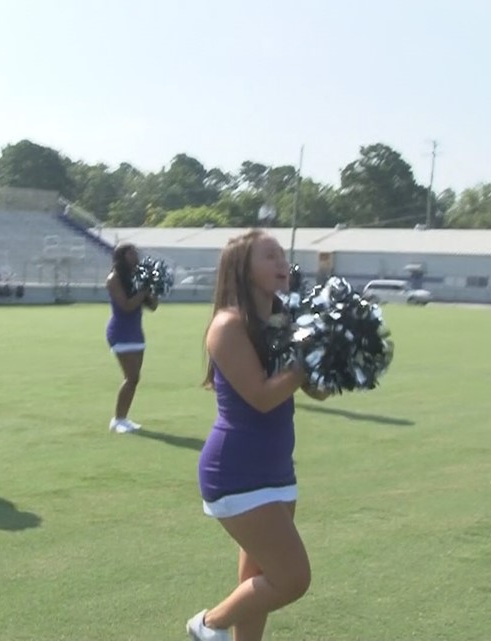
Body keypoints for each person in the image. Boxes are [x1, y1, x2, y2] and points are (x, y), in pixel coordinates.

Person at [187, 230, 328, 641]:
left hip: (277, 469)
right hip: (236, 473)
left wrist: (331, 355)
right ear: (243, 269)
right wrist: (303, 362)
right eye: (270, 255)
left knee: (259, 579)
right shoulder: (227, 325)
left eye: (282, 254)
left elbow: (315, 389)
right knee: (292, 579)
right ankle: (207, 625)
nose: (282, 262)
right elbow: (263, 397)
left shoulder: (285, 322)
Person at [104, 243, 157, 434]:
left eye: (136, 253)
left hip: (136, 331)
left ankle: (123, 418)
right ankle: (117, 420)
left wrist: (153, 289)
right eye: (131, 253)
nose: (136, 257)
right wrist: (142, 291)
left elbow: (153, 306)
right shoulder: (114, 279)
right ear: (121, 257)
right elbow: (126, 306)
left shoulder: (135, 278)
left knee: (134, 379)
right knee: (131, 377)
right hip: (120, 332)